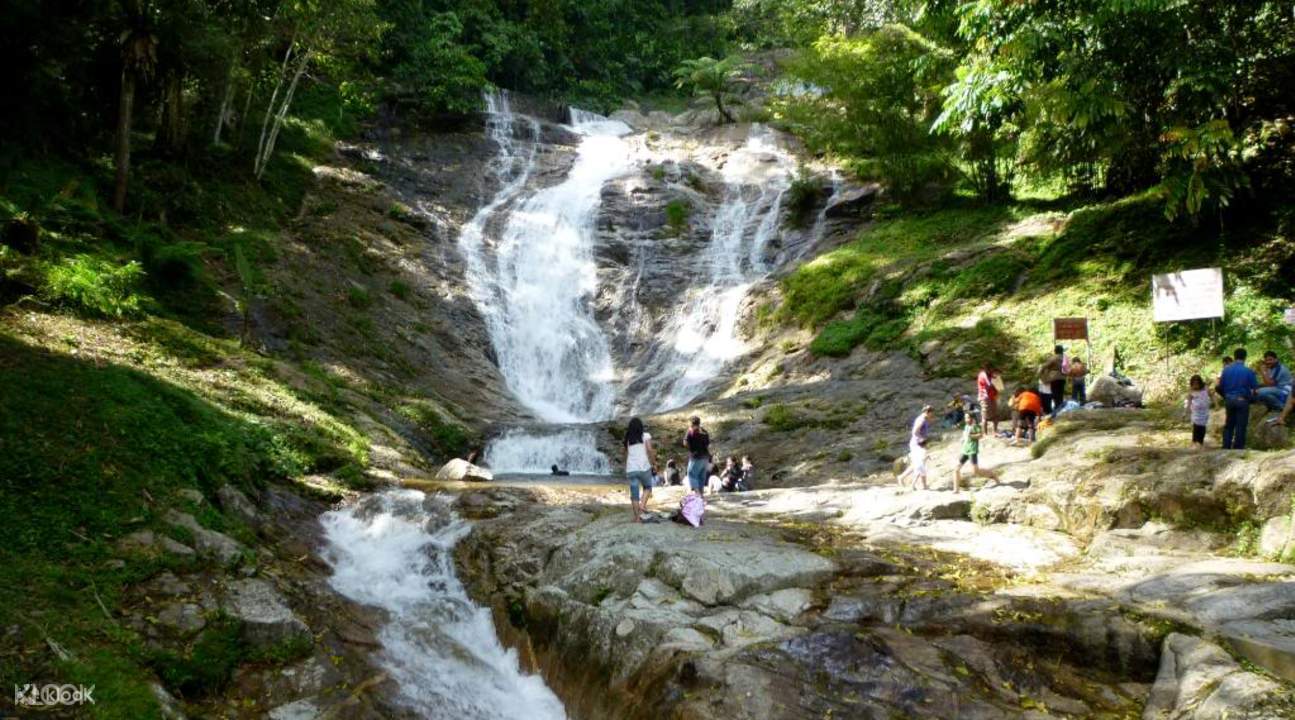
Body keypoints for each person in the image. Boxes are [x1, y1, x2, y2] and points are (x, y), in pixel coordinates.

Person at [1218, 348, 1259, 450]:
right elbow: (1255, 388)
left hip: (1229, 400)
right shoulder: (1248, 371)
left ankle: (1226, 446)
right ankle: (1238, 448)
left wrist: (1227, 396)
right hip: (1242, 400)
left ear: (1234, 356)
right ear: (1245, 357)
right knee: (1241, 426)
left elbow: (1220, 386)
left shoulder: (1226, 370)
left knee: (1229, 425)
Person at [623, 417, 657, 522]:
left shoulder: (628, 439)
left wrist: (627, 465)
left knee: (634, 495)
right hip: (644, 467)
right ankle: (642, 505)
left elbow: (626, 454)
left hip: (631, 469)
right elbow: (650, 450)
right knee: (647, 487)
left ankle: (637, 518)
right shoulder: (646, 436)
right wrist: (654, 463)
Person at [896, 405, 935, 491]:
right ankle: (923, 485)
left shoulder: (924, 419)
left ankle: (902, 478)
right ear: (927, 412)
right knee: (920, 464)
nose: (932, 415)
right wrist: (922, 439)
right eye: (931, 413)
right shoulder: (921, 420)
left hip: (919, 444)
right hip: (917, 444)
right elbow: (915, 432)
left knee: (917, 464)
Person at [953, 412, 985, 493]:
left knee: (976, 471)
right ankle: (956, 489)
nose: (965, 419)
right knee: (956, 469)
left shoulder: (976, 426)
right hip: (965, 450)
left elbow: (981, 435)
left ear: (972, 418)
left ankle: (993, 476)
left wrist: (971, 435)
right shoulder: (966, 426)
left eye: (967, 418)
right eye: (965, 418)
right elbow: (965, 436)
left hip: (972, 450)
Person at [681, 416, 711, 494]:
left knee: (691, 474)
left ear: (691, 423)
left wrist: (691, 449)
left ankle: (697, 494)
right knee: (701, 476)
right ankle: (701, 494)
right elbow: (708, 444)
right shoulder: (704, 431)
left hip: (696, 456)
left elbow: (685, 443)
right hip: (705, 456)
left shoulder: (691, 431)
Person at [1040, 346, 1067, 419]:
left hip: (1054, 378)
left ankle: (1056, 411)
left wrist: (1041, 372)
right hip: (1063, 377)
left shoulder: (1054, 358)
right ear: (1062, 351)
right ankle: (1060, 409)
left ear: (1055, 351)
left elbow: (1045, 366)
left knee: (1055, 394)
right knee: (1060, 394)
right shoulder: (1065, 358)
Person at [977, 363, 1002, 436]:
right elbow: (989, 384)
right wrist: (996, 378)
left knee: (995, 415)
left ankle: (995, 432)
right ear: (987, 369)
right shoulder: (982, 375)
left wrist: (997, 378)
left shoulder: (991, 375)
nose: (992, 371)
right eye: (991, 369)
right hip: (984, 397)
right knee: (985, 416)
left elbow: (999, 387)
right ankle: (985, 433)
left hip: (992, 397)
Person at [1186, 375, 1211, 449]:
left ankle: (1200, 442)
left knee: (1202, 426)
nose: (1195, 385)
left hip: (1204, 411)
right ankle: (1194, 442)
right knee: (1196, 426)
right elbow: (1189, 401)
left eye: (1197, 384)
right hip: (1195, 412)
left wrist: (1216, 405)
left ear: (1200, 383)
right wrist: (1186, 411)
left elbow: (1212, 396)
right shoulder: (1191, 390)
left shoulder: (1205, 389)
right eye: (1194, 384)